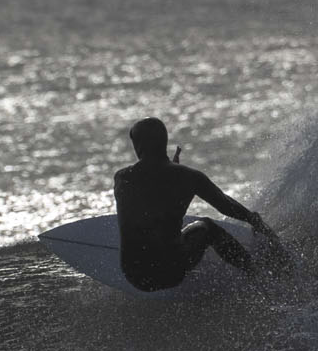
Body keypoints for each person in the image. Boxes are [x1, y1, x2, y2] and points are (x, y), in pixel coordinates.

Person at [112, 117, 285, 291]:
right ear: (164, 142)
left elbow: (148, 201)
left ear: (139, 145)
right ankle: (255, 275)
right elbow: (224, 205)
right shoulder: (188, 177)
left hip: (133, 274)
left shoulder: (121, 178)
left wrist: (171, 170)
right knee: (208, 226)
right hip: (171, 273)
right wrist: (253, 219)